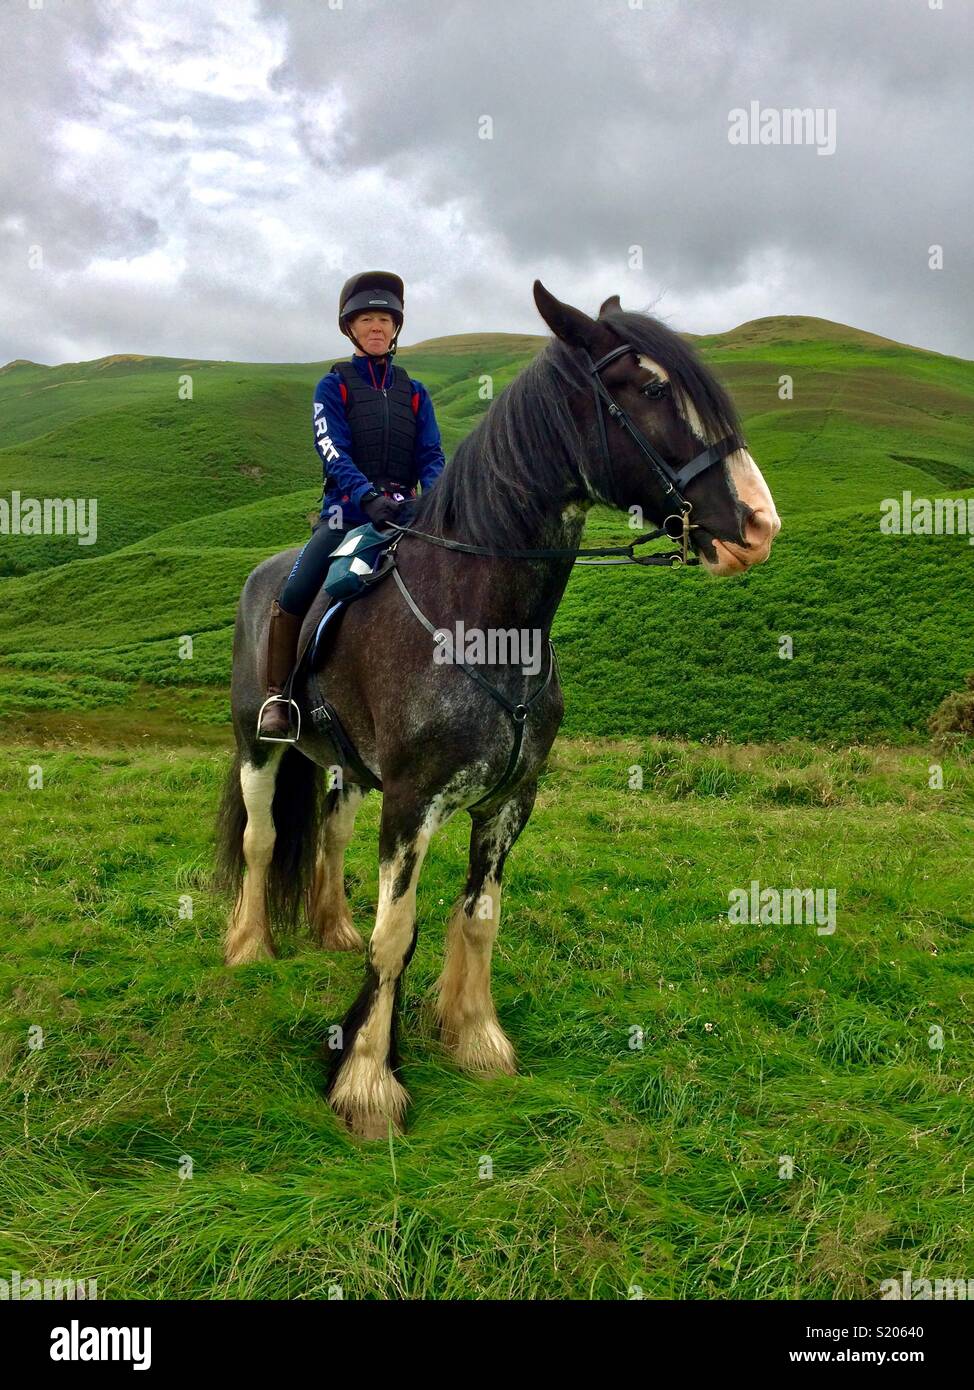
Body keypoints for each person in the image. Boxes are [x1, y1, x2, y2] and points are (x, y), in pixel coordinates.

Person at [257, 271, 446, 740]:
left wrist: (437, 503)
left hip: (407, 517)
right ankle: (278, 698)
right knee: (297, 589)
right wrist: (367, 497)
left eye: (384, 319)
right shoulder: (333, 386)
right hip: (347, 514)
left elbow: (431, 455)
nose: (377, 327)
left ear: (396, 328)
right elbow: (332, 449)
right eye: (366, 320)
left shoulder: (415, 391)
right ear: (351, 329)